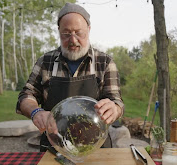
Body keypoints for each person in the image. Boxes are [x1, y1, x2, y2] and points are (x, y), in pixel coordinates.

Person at [16, 2, 124, 152]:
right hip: (54, 149)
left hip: (96, 149)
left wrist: (114, 108)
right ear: (59, 31)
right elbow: (26, 95)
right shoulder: (45, 62)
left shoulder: (104, 62)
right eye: (66, 34)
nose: (73, 40)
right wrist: (35, 112)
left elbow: (116, 101)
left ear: (89, 30)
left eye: (79, 33)